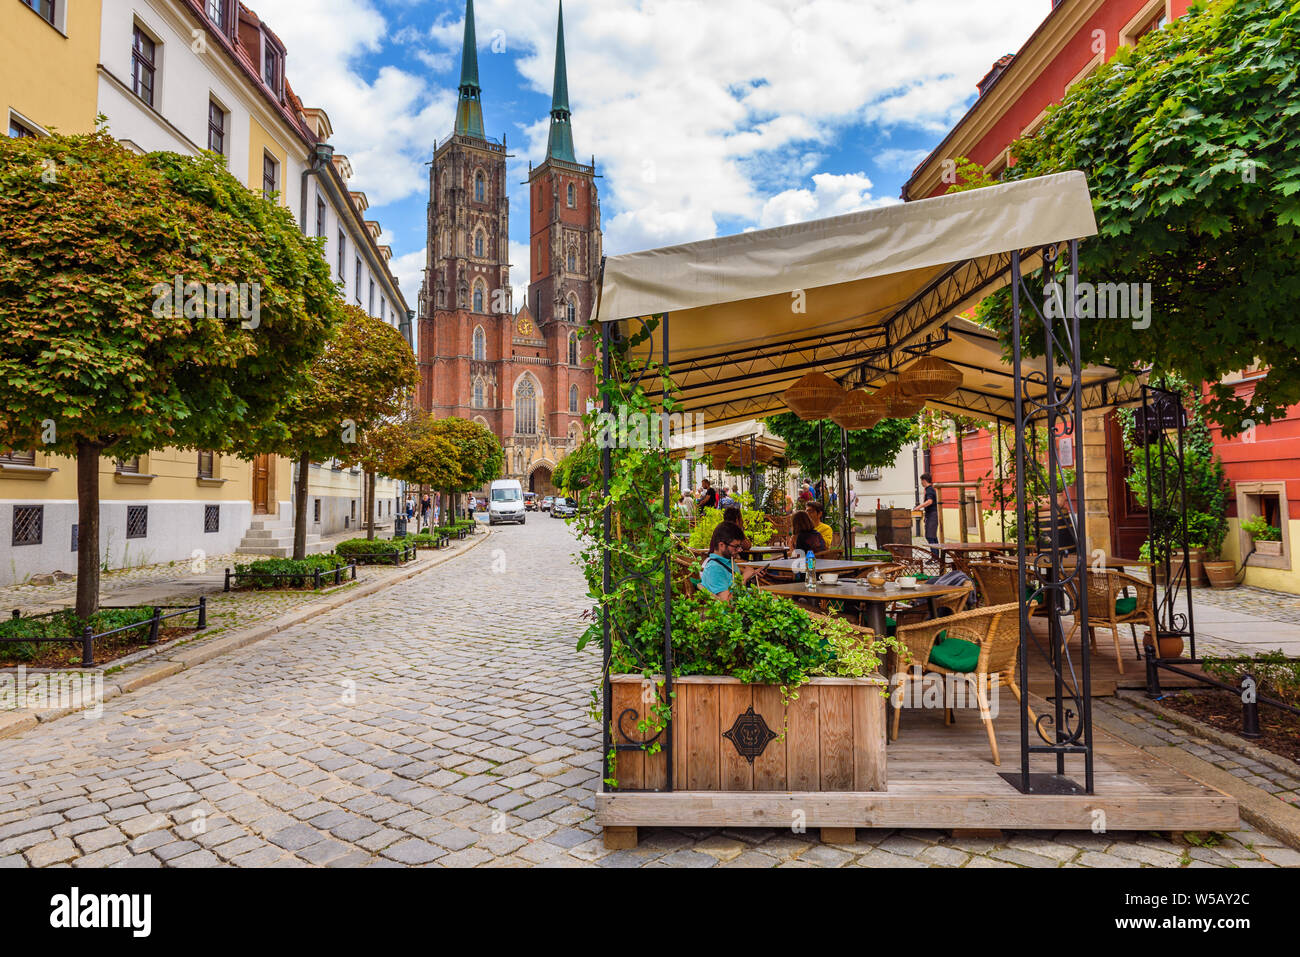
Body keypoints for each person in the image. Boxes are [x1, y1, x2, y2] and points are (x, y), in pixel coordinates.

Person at [699, 521, 758, 600]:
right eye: (736, 546)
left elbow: (735, 585)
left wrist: (752, 576)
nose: (739, 550)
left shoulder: (728, 561)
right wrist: (744, 577)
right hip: (736, 611)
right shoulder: (714, 568)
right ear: (721, 545)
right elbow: (727, 602)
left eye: (740, 546)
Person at [913, 472, 939, 559]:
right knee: (932, 537)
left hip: (932, 515)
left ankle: (935, 558)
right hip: (931, 515)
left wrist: (918, 507)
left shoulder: (929, 490)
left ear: (924, 480)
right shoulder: (930, 489)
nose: (921, 483)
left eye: (921, 481)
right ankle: (936, 557)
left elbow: (930, 501)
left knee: (930, 536)